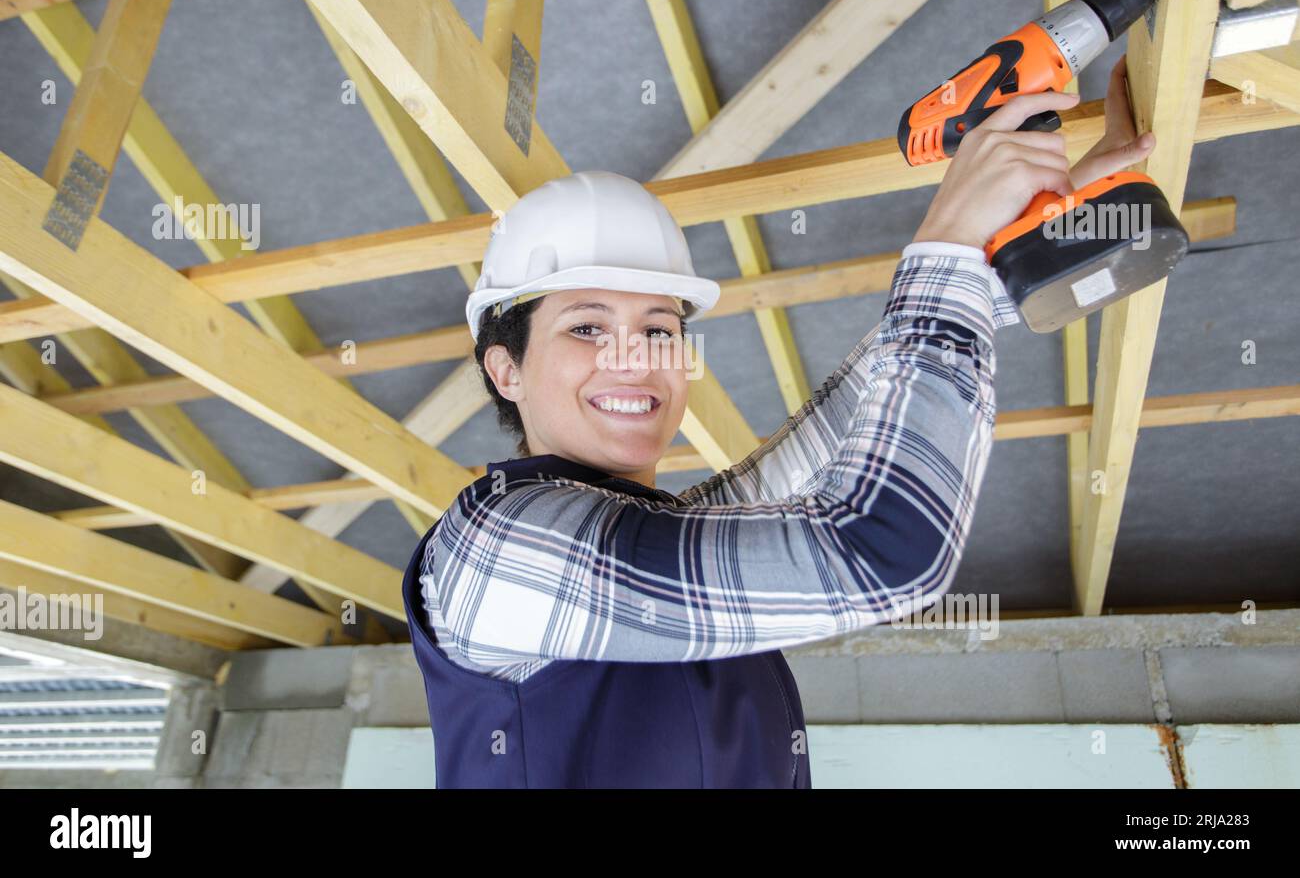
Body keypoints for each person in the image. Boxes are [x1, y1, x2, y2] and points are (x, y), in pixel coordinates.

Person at [402, 58, 1155, 788]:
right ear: (506, 369)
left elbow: (826, 446)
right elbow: (881, 549)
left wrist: (1014, 244)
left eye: (660, 329)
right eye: (588, 329)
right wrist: (949, 240)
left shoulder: (653, 538)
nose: (634, 358)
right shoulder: (497, 547)